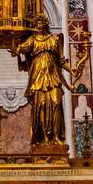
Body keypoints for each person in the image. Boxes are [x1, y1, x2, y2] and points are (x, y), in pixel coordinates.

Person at [17, 12, 72, 147]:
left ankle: (57, 138)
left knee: (57, 104)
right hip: (38, 79)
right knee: (40, 106)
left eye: (41, 23)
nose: (39, 25)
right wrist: (14, 40)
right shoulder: (32, 40)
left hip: (53, 78)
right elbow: (19, 49)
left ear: (46, 24)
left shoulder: (54, 40)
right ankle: (42, 139)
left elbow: (61, 61)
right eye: (37, 23)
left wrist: (72, 71)